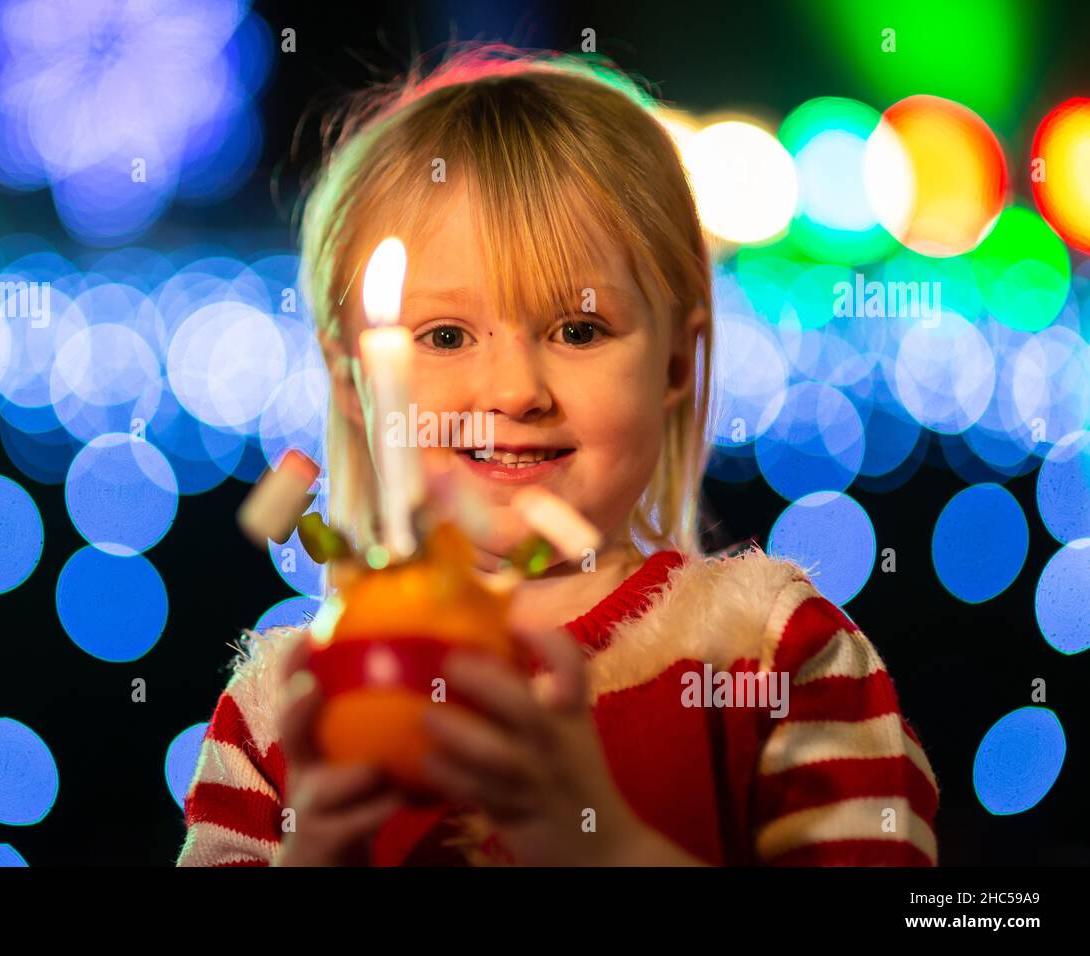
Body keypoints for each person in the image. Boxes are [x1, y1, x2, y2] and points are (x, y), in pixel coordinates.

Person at [175, 42, 939, 867]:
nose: (514, 391)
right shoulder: (281, 708)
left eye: (578, 330)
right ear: (355, 382)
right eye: (443, 335)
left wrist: (606, 845)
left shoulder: (771, 654)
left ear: (676, 365)